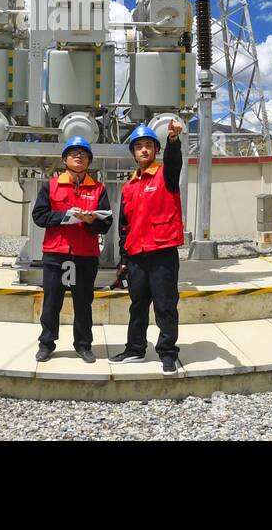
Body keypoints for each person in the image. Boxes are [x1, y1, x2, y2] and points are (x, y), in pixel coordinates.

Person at [111, 118, 184, 375]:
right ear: (133, 152)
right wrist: (123, 259)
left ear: (156, 150)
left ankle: (167, 353)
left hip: (162, 252)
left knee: (165, 305)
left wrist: (173, 142)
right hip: (136, 255)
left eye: (149, 146)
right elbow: (124, 227)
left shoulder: (166, 175)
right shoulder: (129, 186)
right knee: (137, 305)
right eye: (139, 146)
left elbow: (175, 162)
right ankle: (135, 349)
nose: (144, 150)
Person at [30, 136, 112, 363]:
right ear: (65, 159)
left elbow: (105, 224)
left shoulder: (98, 189)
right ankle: (46, 344)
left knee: (83, 302)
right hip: (57, 253)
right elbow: (39, 216)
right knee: (52, 301)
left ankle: (83, 345)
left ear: (89, 161)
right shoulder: (52, 186)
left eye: (84, 154)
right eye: (74, 153)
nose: (79, 156)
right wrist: (65, 217)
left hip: (85, 256)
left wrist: (89, 221)